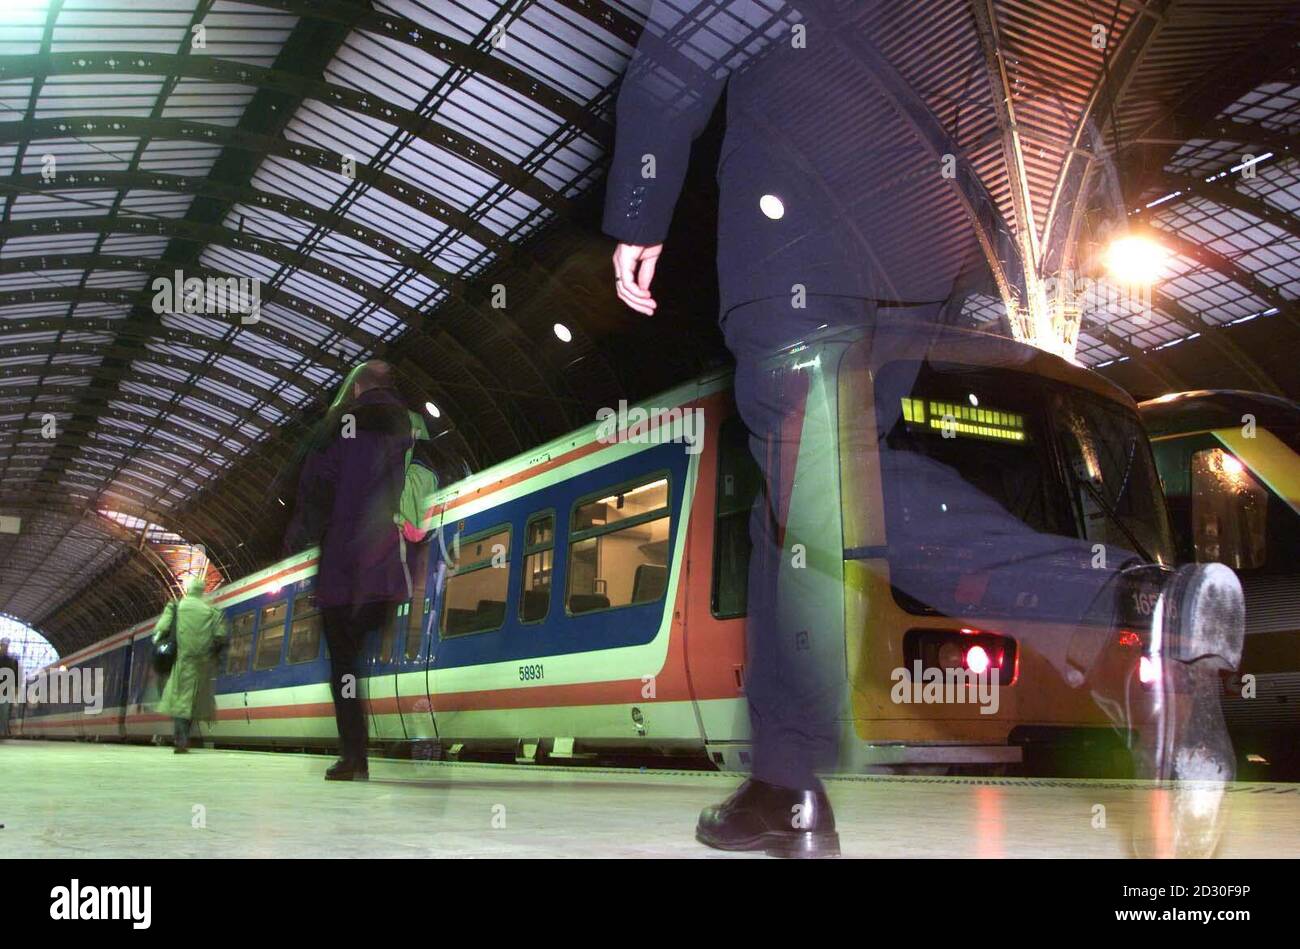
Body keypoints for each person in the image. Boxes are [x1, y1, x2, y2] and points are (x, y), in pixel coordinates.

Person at [604, 0, 1244, 857]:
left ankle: (1133, 601)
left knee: (828, 484)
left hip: (799, 228)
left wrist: (639, 214)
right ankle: (783, 783)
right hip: (922, 235)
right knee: (803, 496)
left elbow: (685, 45)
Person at [283, 359, 414, 781]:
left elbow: (318, 486)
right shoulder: (404, 429)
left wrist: (300, 534)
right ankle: (373, 740)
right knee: (364, 654)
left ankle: (354, 756)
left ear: (356, 389)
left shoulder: (341, 427)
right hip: (382, 563)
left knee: (345, 665)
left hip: (344, 565)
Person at [152, 575, 226, 753]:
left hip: (182, 662)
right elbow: (220, 635)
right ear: (202, 591)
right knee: (194, 702)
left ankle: (181, 739)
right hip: (202, 664)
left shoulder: (177, 607)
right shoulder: (211, 611)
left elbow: (161, 628)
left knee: (180, 701)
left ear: (189, 589)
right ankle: (184, 738)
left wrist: (159, 641)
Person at [0, 638, 19, 739]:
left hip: (6, 691)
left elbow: (15, 676)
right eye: (3, 645)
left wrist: (16, 689)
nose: (5, 647)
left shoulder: (12, 661)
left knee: (4, 713)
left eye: (6, 646)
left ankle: (2, 732)